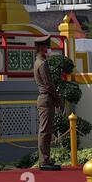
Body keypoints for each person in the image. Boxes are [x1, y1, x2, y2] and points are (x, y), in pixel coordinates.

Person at [33, 38, 61, 171]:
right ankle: (44, 160)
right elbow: (48, 84)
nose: (47, 48)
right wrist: (57, 98)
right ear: (41, 48)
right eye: (46, 46)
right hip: (46, 98)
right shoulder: (42, 64)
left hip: (45, 98)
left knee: (46, 130)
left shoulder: (38, 62)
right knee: (45, 131)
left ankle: (46, 159)